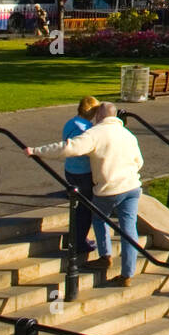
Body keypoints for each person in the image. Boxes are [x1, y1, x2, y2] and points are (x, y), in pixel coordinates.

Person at [27, 103, 144, 286]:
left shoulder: (95, 134)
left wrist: (36, 151)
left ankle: (105, 257)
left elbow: (68, 148)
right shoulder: (128, 135)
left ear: (99, 116)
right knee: (129, 230)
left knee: (98, 219)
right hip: (131, 188)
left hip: (108, 189)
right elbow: (139, 162)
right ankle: (127, 274)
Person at [60, 96, 100, 255]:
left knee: (76, 206)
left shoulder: (69, 123)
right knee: (85, 209)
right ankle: (79, 241)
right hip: (84, 172)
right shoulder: (88, 130)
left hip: (70, 169)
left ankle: (74, 237)